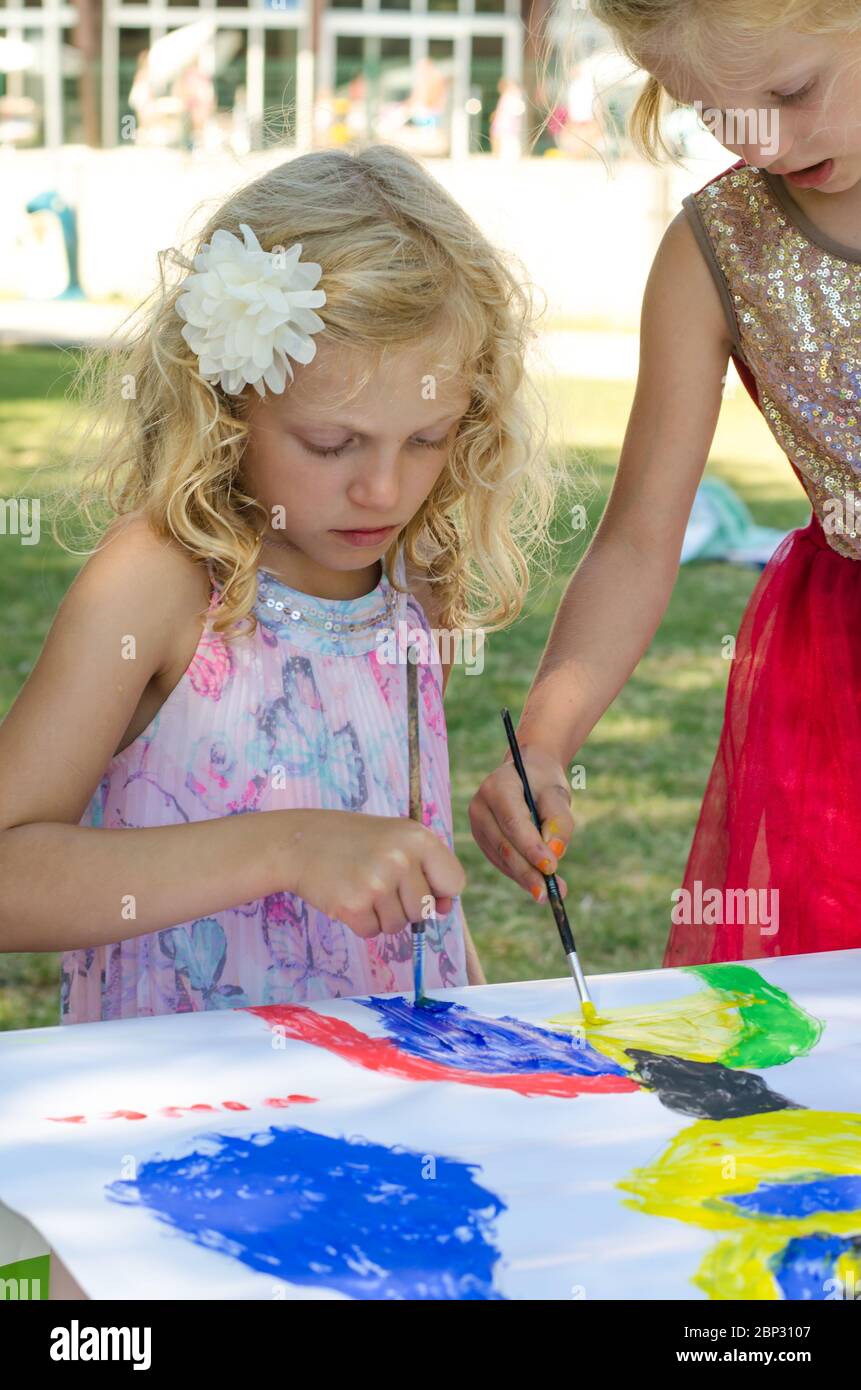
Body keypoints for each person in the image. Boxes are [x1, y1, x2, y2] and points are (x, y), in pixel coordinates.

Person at [0, 145, 556, 1022]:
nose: (384, 490)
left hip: (392, 1089)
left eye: (427, 438)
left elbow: (407, 868)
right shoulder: (161, 584)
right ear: (226, 405)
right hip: (190, 1111)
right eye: (331, 445)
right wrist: (287, 847)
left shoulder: (420, 582)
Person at [470, 0, 861, 965]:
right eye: (716, 114)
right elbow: (640, 540)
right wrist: (549, 741)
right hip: (838, 691)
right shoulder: (714, 250)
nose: (762, 144)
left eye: (787, 92)